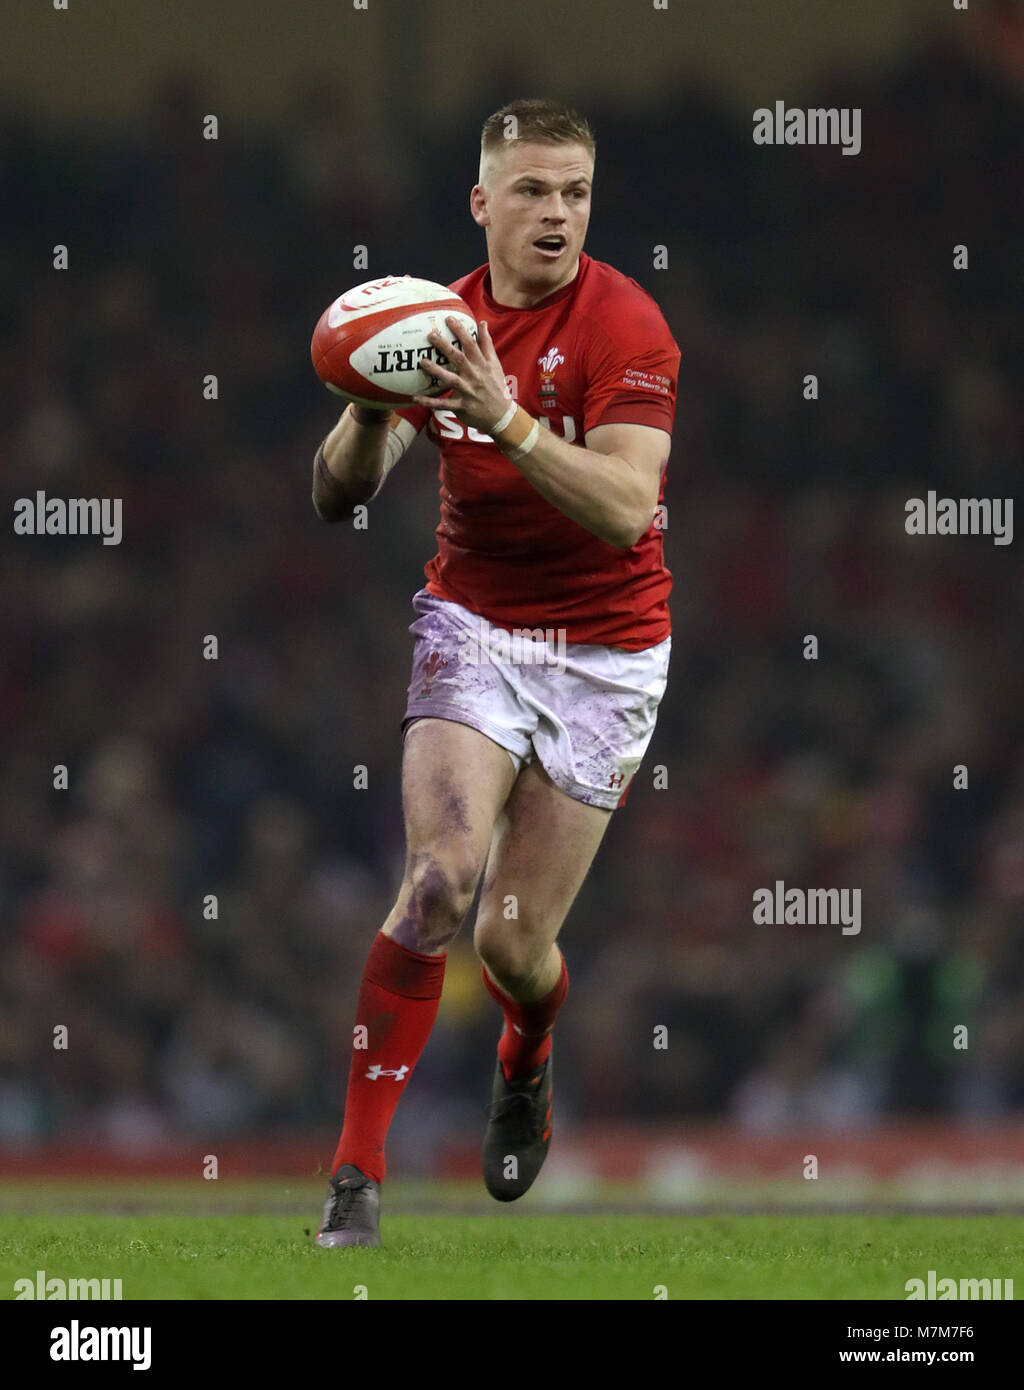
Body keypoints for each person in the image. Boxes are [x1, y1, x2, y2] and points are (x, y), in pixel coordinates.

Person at [310, 97, 680, 1247]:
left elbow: (626, 510)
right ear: (482, 203)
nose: (555, 213)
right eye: (531, 189)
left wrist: (507, 421)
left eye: (573, 192)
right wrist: (372, 412)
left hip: (607, 651)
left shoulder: (628, 323)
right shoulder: (439, 327)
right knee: (436, 883)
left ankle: (527, 1053)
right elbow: (335, 496)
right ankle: (355, 1177)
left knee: (513, 946)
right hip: (473, 623)